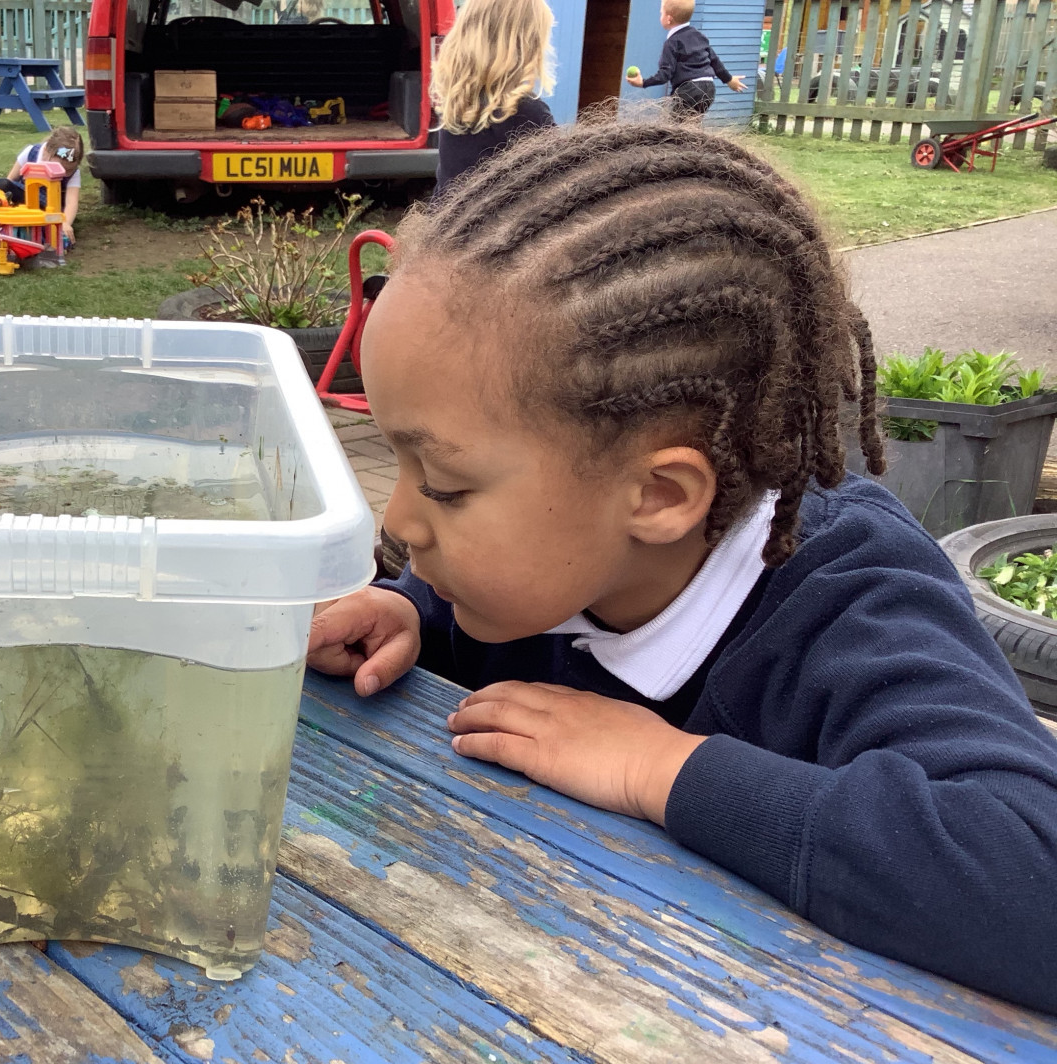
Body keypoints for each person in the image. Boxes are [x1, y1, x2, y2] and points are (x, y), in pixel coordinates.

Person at [306, 121, 1057, 1014]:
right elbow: (495, 599)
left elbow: (1030, 876)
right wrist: (411, 616)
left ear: (660, 497)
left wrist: (661, 769)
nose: (398, 520)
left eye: (447, 486)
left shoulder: (853, 601)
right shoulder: (558, 563)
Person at [430, 0, 555, 193]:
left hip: (447, 211)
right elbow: (557, 179)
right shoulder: (525, 112)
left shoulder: (457, 103)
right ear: (525, 45)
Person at [628, 0, 748, 121]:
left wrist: (643, 82)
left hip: (689, 90)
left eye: (661, 13)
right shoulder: (699, 36)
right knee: (691, 124)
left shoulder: (672, 42)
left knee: (675, 127)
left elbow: (665, 74)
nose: (660, 16)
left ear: (668, 19)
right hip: (708, 88)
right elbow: (714, 61)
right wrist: (729, 80)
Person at [0, 127, 84, 247]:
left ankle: (40, 231)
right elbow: (10, 180)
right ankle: (3, 221)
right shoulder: (31, 153)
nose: (64, 173)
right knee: (2, 185)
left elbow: (71, 202)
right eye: (60, 168)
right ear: (46, 152)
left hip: (49, 207)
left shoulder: (74, 174)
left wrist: (65, 223)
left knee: (51, 221)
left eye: (69, 170)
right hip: (25, 198)